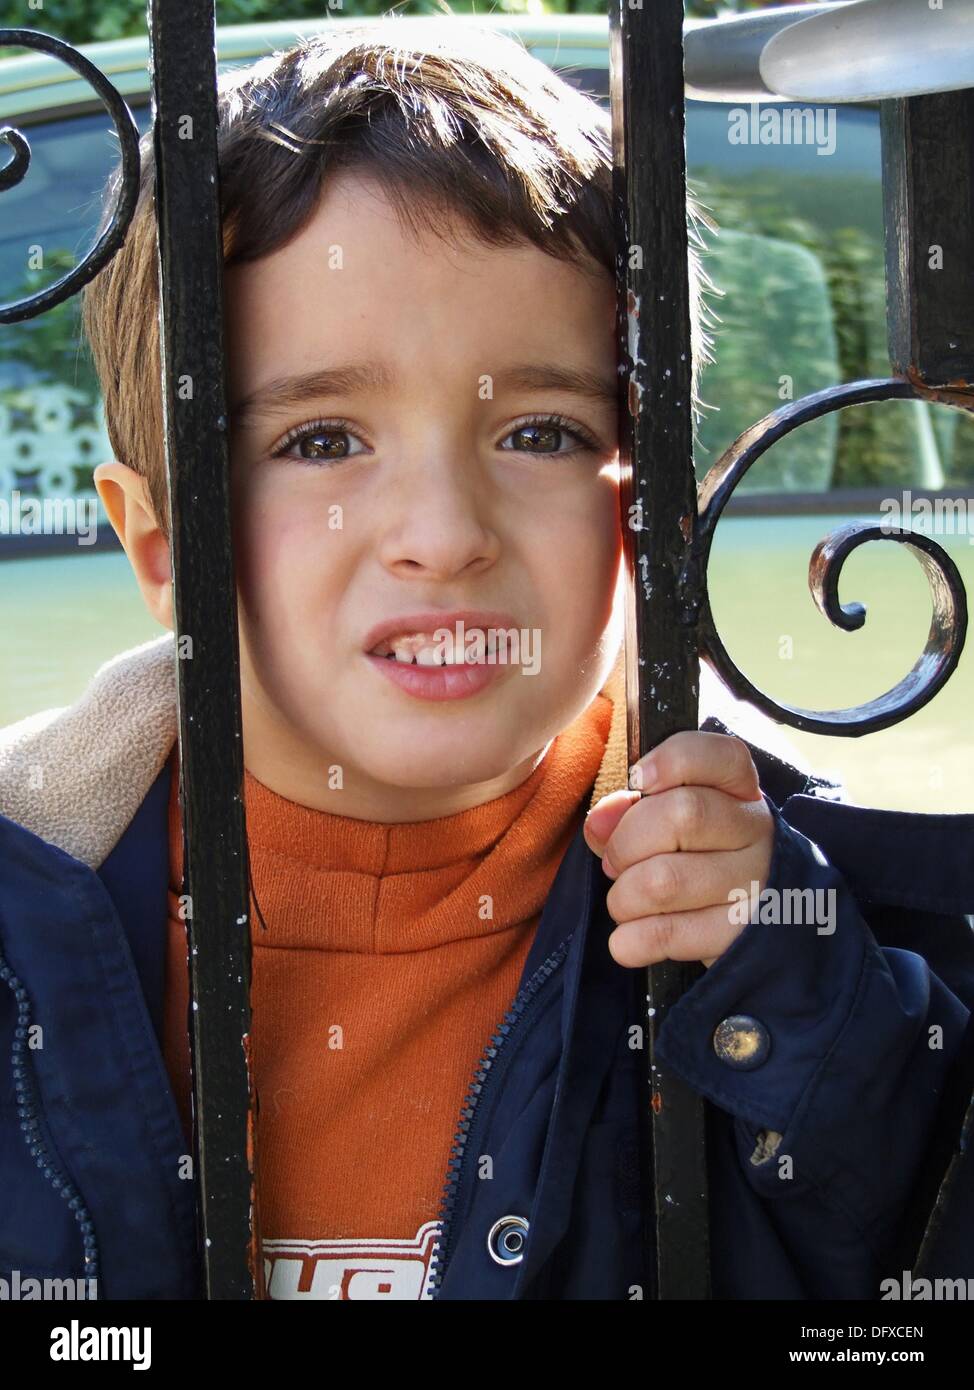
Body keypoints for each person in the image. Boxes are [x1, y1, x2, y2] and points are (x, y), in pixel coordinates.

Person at [1, 19, 971, 1302]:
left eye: (539, 430)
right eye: (321, 440)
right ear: (157, 539)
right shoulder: (34, 911)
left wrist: (792, 989)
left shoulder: (805, 921)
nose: (446, 537)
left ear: (657, 510)